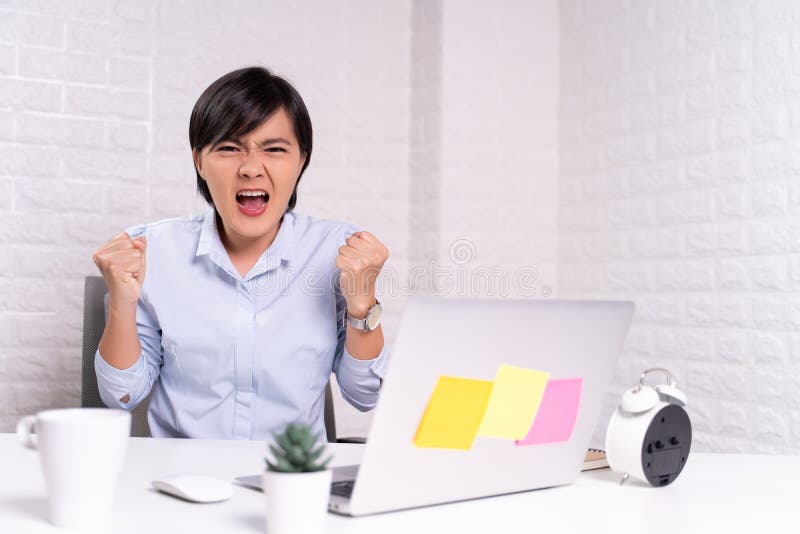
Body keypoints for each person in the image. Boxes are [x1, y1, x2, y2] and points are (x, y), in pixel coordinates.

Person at [92, 66, 390, 440]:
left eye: (274, 149)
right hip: (183, 469)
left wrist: (363, 305)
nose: (250, 168)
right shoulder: (152, 251)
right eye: (229, 149)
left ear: (301, 161)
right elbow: (122, 395)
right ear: (199, 161)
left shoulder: (336, 251)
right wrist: (122, 303)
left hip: (291, 469)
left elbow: (366, 395)